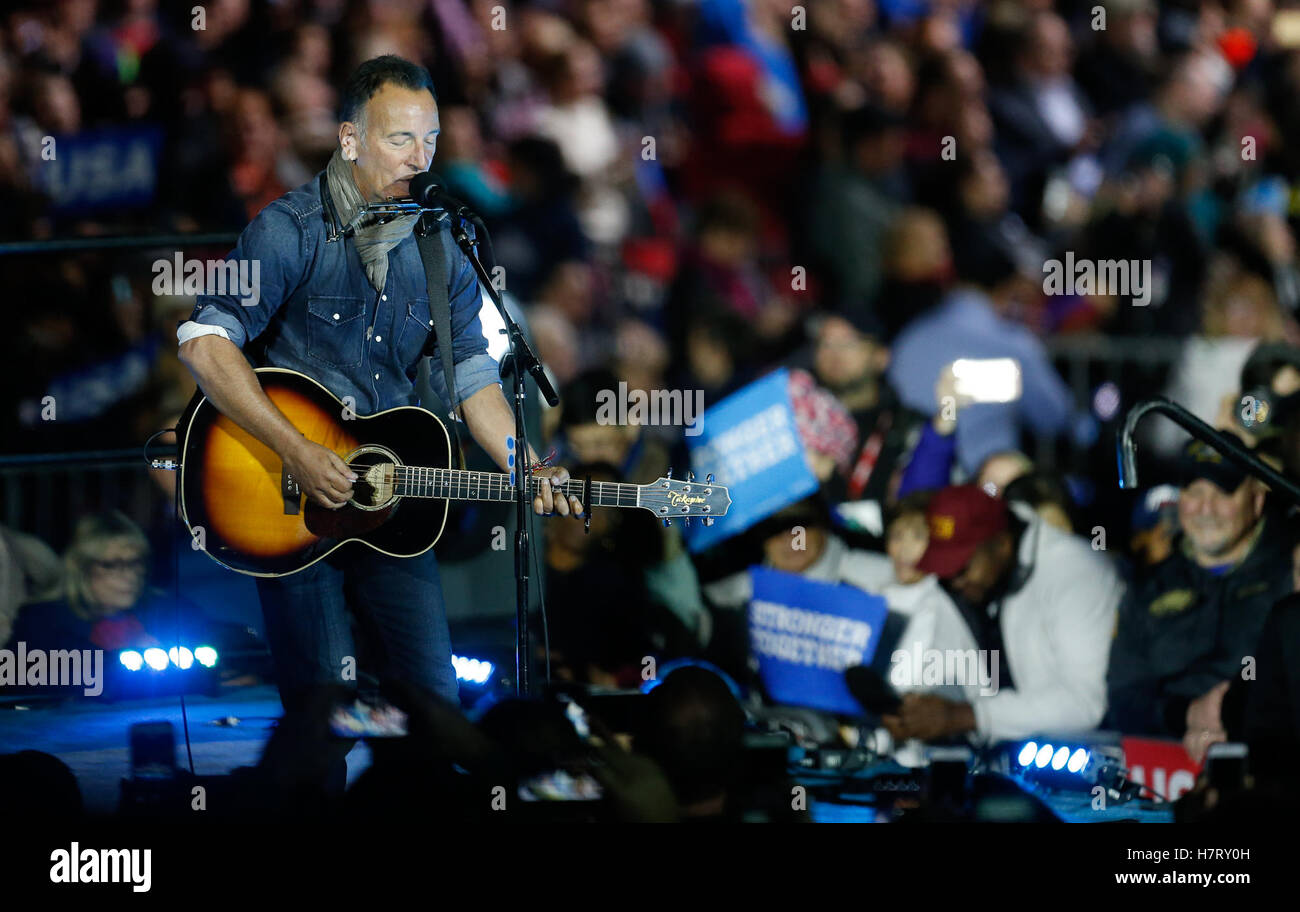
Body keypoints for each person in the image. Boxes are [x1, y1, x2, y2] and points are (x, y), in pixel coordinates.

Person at [176, 56, 585, 723]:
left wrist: (528, 464)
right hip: (290, 502)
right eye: (400, 139)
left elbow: (473, 374)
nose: (420, 159)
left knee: (436, 706)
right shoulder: (287, 231)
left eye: (431, 141)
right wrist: (297, 450)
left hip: (391, 505)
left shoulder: (440, 246)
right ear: (350, 140)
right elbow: (204, 342)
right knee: (324, 719)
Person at [883, 484, 1123, 743]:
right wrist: (912, 714)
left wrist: (964, 716)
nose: (954, 581)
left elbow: (1085, 704)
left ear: (1001, 545)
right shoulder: (969, 585)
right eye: (944, 569)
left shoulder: (1074, 574)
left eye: (961, 569)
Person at [1107, 438, 1292, 743]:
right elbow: (1124, 698)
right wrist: (1188, 714)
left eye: (1223, 491)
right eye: (1194, 491)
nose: (1206, 508)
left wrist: (1234, 717)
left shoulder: (1291, 569)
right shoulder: (1148, 588)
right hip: (1164, 768)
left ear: (1257, 500)